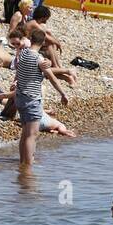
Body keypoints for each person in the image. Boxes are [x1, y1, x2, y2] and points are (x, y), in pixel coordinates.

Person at [14, 28, 69, 168]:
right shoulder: (38, 59)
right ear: (43, 42)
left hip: (20, 97)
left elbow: (24, 44)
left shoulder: (23, 53)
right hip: (31, 99)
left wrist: (48, 61)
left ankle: (23, 162)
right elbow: (52, 79)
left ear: (31, 39)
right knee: (32, 135)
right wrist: (63, 94)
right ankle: (28, 165)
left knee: (25, 133)